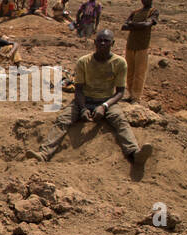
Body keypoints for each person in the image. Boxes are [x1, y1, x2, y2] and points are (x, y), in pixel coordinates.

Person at [36, 30, 150, 167]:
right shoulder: (83, 62)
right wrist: (83, 108)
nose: (102, 43)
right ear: (94, 42)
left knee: (120, 121)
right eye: (100, 40)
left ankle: (134, 153)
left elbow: (120, 92)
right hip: (84, 99)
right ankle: (44, 154)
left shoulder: (119, 63)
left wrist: (104, 106)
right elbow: (78, 89)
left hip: (107, 101)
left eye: (106, 41)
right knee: (63, 120)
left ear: (112, 43)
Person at [121, 0, 159, 103]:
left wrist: (132, 25)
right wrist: (137, 25)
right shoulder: (135, 12)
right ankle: (131, 94)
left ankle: (136, 97)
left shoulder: (153, 11)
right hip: (130, 45)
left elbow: (148, 24)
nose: (144, 1)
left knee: (139, 73)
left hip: (142, 46)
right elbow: (124, 26)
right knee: (130, 72)